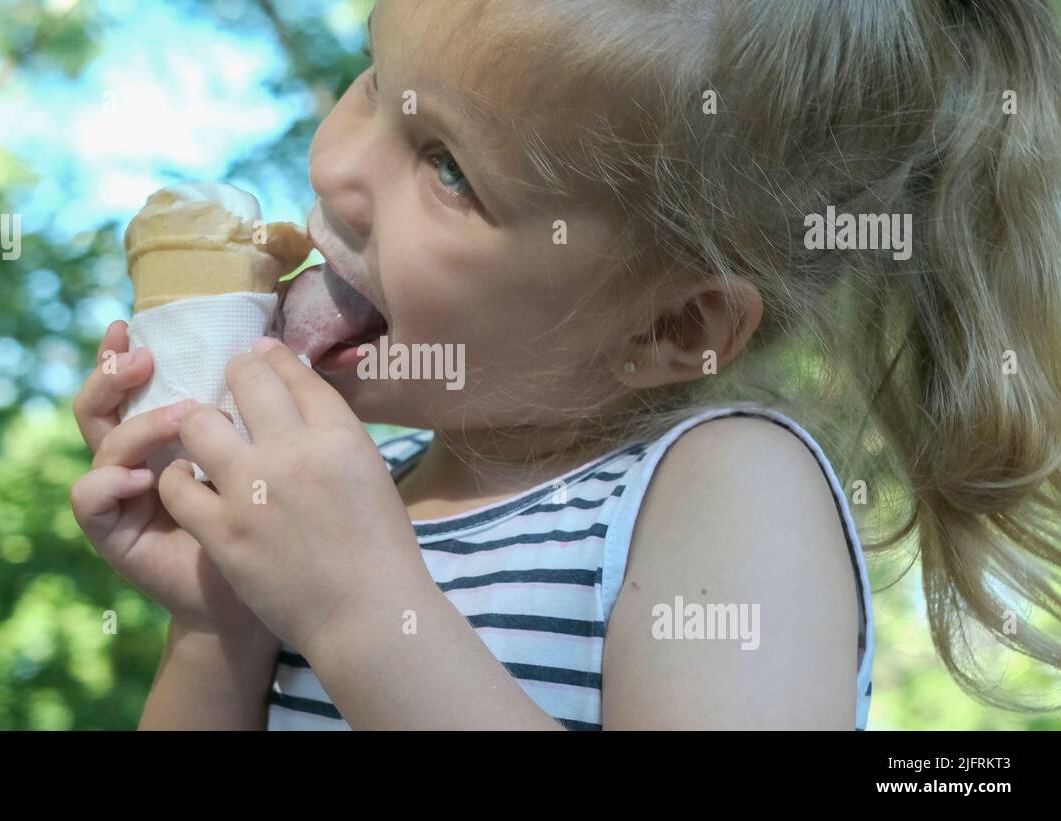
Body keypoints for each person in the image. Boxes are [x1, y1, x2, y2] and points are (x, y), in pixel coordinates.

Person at [71, 0, 1061, 729]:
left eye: (448, 164)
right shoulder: (351, 500)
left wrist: (358, 612)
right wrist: (222, 619)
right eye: (377, 76)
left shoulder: (727, 487)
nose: (336, 168)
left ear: (672, 326)